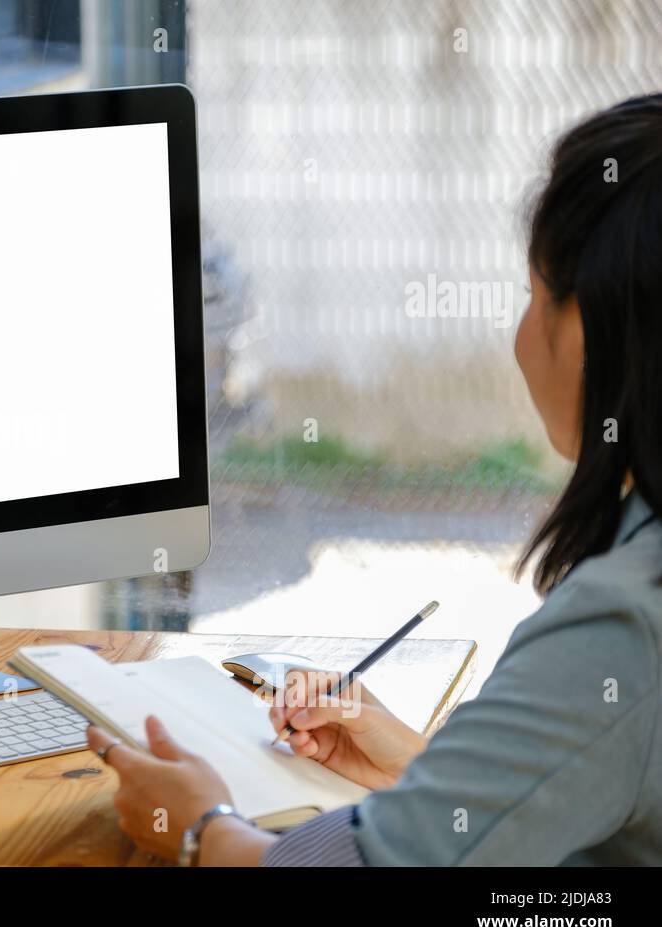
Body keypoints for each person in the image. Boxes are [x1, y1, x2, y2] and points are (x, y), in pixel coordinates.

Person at [86, 94, 662, 866]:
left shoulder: (623, 624)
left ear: (585, 332)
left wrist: (197, 827)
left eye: (533, 296)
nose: (520, 336)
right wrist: (424, 775)